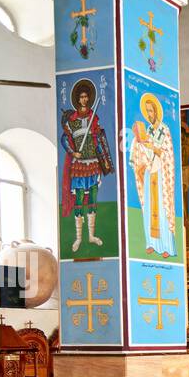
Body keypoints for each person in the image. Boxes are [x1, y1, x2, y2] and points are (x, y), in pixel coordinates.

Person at [60, 78, 113, 253]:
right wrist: (73, 152)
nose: (84, 99)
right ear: (77, 99)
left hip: (93, 164)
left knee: (92, 200)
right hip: (79, 165)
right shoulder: (72, 119)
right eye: (81, 97)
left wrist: (97, 136)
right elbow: (64, 139)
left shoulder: (93, 117)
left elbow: (99, 138)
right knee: (79, 200)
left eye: (86, 97)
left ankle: (91, 236)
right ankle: (78, 238)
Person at [129, 92, 178, 258]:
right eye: (147, 111)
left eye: (151, 111)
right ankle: (151, 243)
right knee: (150, 208)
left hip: (162, 173)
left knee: (162, 208)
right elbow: (144, 149)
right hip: (150, 171)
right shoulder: (148, 130)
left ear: (156, 111)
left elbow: (168, 153)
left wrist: (154, 147)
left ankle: (167, 246)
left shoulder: (165, 129)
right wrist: (139, 141)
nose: (149, 114)